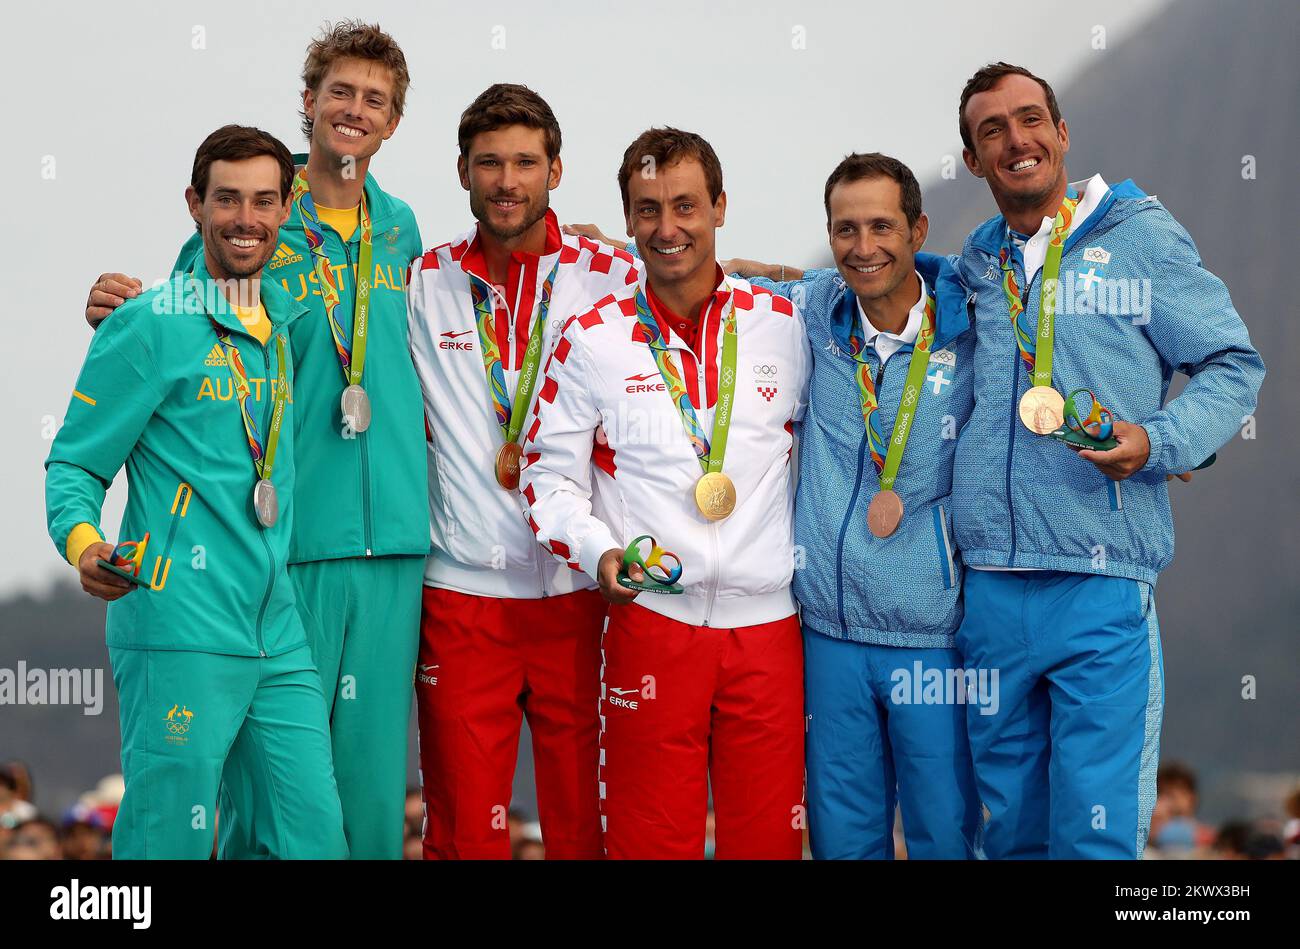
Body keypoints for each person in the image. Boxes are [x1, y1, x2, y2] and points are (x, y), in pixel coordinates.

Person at [82, 21, 426, 859]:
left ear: (394, 122)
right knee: (261, 799)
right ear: (307, 102)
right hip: (282, 543)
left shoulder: (404, 229)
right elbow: (171, 320)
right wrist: (115, 301)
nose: (354, 110)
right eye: (338, 92)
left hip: (395, 545)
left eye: (374, 99)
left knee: (372, 797)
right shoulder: (259, 212)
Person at [952, 62, 1265, 858]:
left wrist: (1160, 441)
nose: (1016, 140)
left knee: (1093, 837)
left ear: (1062, 133)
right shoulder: (978, 264)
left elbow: (1233, 364)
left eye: (1031, 120)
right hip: (989, 587)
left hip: (1102, 585)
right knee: (1010, 838)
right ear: (973, 159)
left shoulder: (1139, 236)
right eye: (993, 131)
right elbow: (874, 291)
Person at [47, 125, 347, 859]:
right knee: (164, 842)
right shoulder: (149, 323)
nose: (246, 218)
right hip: (177, 621)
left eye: (264, 201)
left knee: (315, 837)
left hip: (277, 631)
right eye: (228, 199)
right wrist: (86, 547)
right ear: (195, 204)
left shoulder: (282, 315)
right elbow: (74, 467)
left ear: (285, 211)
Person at [519, 128, 810, 859]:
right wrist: (597, 552)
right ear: (627, 221)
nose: (668, 227)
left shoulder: (784, 323)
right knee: (652, 843)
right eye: (647, 210)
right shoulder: (592, 337)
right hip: (651, 618)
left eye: (685, 206)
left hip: (768, 629)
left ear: (719, 206)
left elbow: (895, 277)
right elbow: (546, 476)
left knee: (768, 844)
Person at [406, 84, 640, 859]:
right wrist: (151, 302)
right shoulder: (421, 282)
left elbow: (710, 281)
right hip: (463, 595)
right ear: (463, 172)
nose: (508, 180)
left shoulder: (615, 273)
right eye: (490, 163)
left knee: (583, 826)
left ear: (557, 169)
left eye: (525, 162)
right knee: (465, 827)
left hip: (579, 592)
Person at [727, 154, 982, 859]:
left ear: (917, 228)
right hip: (829, 634)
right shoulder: (814, 313)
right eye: (845, 229)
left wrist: (1163, 439)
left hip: (934, 639)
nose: (863, 247)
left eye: (880, 226)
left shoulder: (974, 327)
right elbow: (707, 274)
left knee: (944, 836)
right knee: (842, 840)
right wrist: (598, 254)